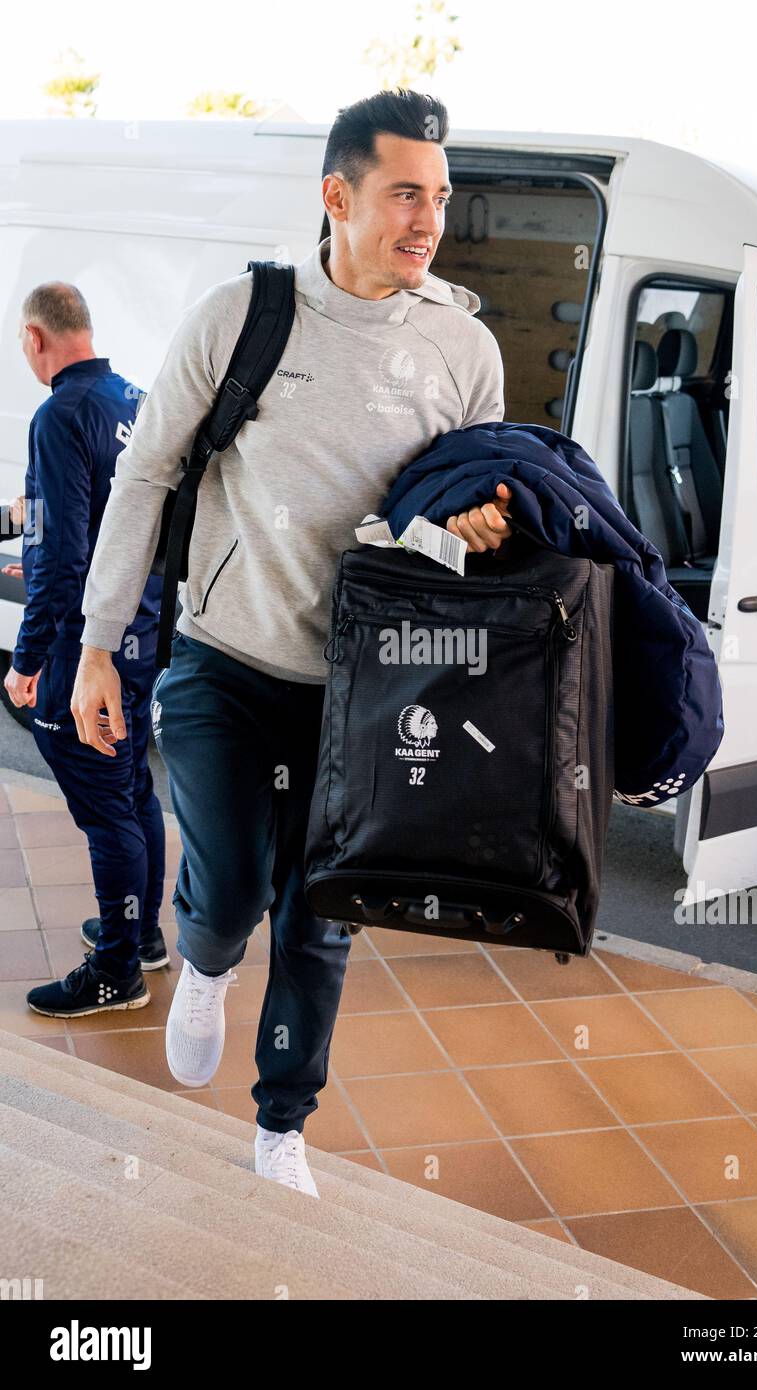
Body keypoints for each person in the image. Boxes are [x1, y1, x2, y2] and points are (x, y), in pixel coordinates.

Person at [71, 88, 510, 1198]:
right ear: (336, 195)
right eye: (404, 193)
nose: (427, 220)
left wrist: (476, 527)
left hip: (364, 694)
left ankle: (282, 1127)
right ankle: (208, 959)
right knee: (225, 899)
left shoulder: (461, 348)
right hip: (223, 661)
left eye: (440, 198)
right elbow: (148, 471)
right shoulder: (243, 316)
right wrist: (95, 641)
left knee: (323, 919)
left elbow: (468, 530)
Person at [2, 282, 168, 1018]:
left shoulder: (59, 414)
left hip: (85, 648)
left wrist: (26, 661)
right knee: (133, 789)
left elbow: (60, 556)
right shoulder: (133, 400)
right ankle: (145, 936)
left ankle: (115, 970)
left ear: (36, 339)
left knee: (106, 811)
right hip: (140, 632)